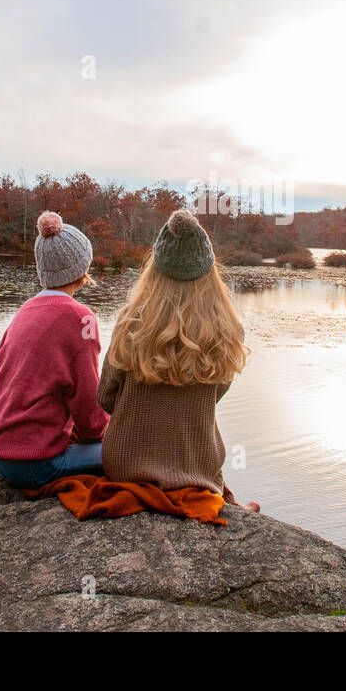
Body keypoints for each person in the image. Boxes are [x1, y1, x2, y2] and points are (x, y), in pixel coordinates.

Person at [97, 208, 259, 512]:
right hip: (194, 469)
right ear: (209, 273)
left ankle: (226, 502)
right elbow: (214, 397)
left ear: (155, 271)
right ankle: (228, 505)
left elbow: (105, 397)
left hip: (125, 466)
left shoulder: (129, 322)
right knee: (205, 438)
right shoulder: (226, 329)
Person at [0, 211, 107, 488]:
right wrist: (110, 433)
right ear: (81, 268)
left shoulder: (26, 309)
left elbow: (1, 369)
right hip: (35, 464)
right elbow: (88, 406)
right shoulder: (81, 319)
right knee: (131, 452)